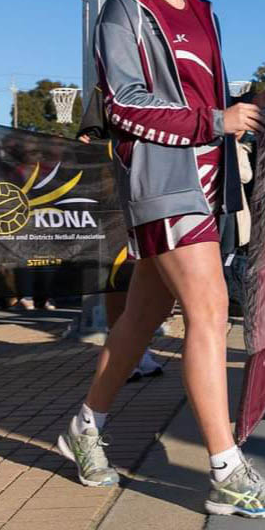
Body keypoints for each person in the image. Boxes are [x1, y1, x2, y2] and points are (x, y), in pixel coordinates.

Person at [56, 0, 265, 518]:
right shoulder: (123, 8)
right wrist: (213, 118)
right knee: (211, 308)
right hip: (159, 178)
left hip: (209, 180)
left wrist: (255, 102)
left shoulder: (203, 11)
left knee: (142, 319)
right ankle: (226, 469)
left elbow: (210, 90)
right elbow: (123, 104)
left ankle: (85, 426)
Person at [77, 85, 163, 380]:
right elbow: (87, 140)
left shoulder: (167, 81)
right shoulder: (108, 87)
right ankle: (122, 355)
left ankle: (139, 349)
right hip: (115, 197)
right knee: (119, 275)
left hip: (157, 191)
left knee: (149, 276)